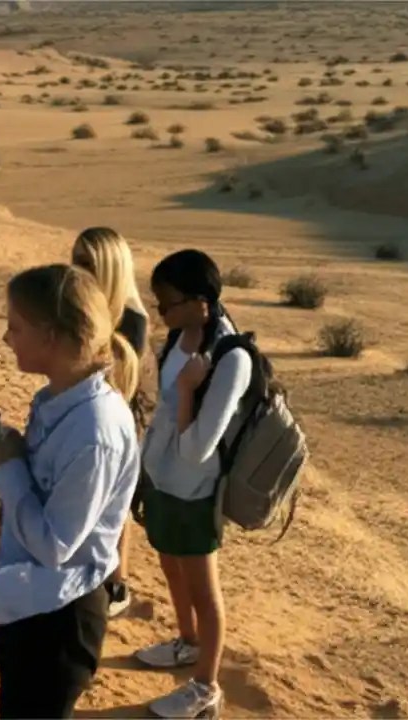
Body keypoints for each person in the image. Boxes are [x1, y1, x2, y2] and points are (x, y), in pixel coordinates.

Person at [0, 263, 141, 719]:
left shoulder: (94, 431)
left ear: (50, 336)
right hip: (32, 602)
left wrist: (6, 469)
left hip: (60, 617)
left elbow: (56, 545)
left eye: (16, 327)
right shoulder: (57, 402)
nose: (6, 339)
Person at [134, 249, 249, 719]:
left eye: (168, 303)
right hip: (162, 477)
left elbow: (198, 448)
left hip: (196, 489)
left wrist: (185, 391)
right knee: (170, 566)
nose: (162, 314)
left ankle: (206, 687)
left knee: (204, 588)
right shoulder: (180, 338)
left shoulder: (230, 358)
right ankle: (186, 641)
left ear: (200, 301)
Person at [70, 226, 151, 618]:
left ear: (110, 267)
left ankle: (116, 584)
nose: (78, 268)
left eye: (87, 261)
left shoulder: (131, 319)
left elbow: (118, 378)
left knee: (114, 507)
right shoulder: (82, 305)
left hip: (115, 421)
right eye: (75, 259)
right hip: (79, 414)